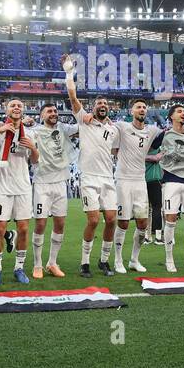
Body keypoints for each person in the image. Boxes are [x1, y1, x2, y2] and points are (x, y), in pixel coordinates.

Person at [63, 55, 119, 277]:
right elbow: (72, 96)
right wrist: (69, 72)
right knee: (94, 220)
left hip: (108, 178)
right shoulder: (84, 120)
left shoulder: (114, 129)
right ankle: (84, 262)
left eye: (105, 104)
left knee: (112, 220)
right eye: (99, 104)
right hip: (89, 178)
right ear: (94, 107)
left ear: (109, 108)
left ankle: (104, 260)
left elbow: (116, 150)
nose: (102, 106)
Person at [0, 97, 39, 285]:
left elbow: (36, 161)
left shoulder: (29, 133)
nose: (16, 108)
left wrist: (34, 149)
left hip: (23, 188)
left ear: (24, 110)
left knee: (23, 229)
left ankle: (19, 268)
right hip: (2, 188)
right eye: (12, 105)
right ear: (6, 110)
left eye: (19, 106)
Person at [150, 105, 184, 272]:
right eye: (179, 111)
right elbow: (147, 146)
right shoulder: (164, 135)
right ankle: (169, 259)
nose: (183, 113)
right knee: (170, 220)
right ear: (171, 116)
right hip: (170, 181)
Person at [29, 101, 75, 278]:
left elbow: (82, 126)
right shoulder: (35, 131)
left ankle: (52, 263)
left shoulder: (63, 128)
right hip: (42, 183)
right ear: (41, 115)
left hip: (61, 183)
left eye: (55, 111)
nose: (53, 113)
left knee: (60, 224)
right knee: (40, 224)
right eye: (49, 111)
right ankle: (37, 264)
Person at [113, 98, 157, 272]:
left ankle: (134, 260)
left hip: (140, 181)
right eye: (138, 107)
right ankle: (117, 260)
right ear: (131, 111)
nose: (142, 109)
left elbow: (170, 134)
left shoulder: (152, 130)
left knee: (142, 223)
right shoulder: (122, 127)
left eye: (144, 107)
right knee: (123, 222)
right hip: (123, 180)